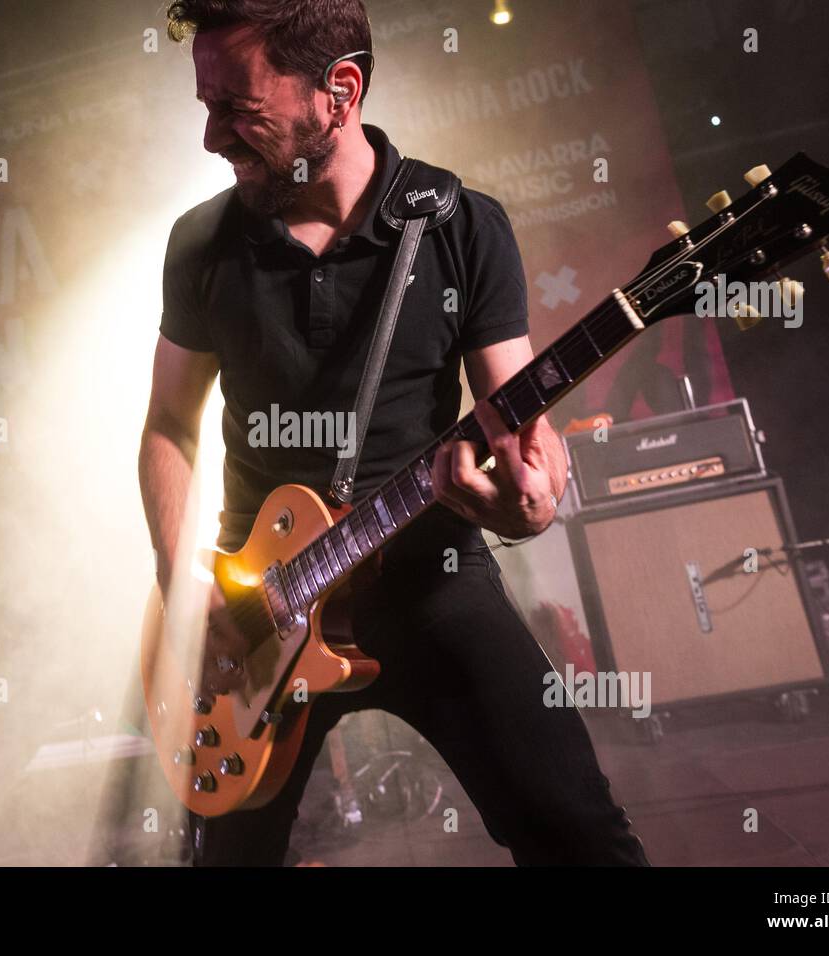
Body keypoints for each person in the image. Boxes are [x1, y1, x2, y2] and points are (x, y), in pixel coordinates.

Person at [139, 0, 649, 866]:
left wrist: (529, 503)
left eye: (238, 109)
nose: (212, 137)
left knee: (578, 833)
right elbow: (167, 427)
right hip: (256, 607)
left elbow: (521, 424)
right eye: (207, 107)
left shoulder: (462, 226)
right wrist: (186, 589)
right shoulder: (201, 244)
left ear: (339, 91)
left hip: (429, 574)